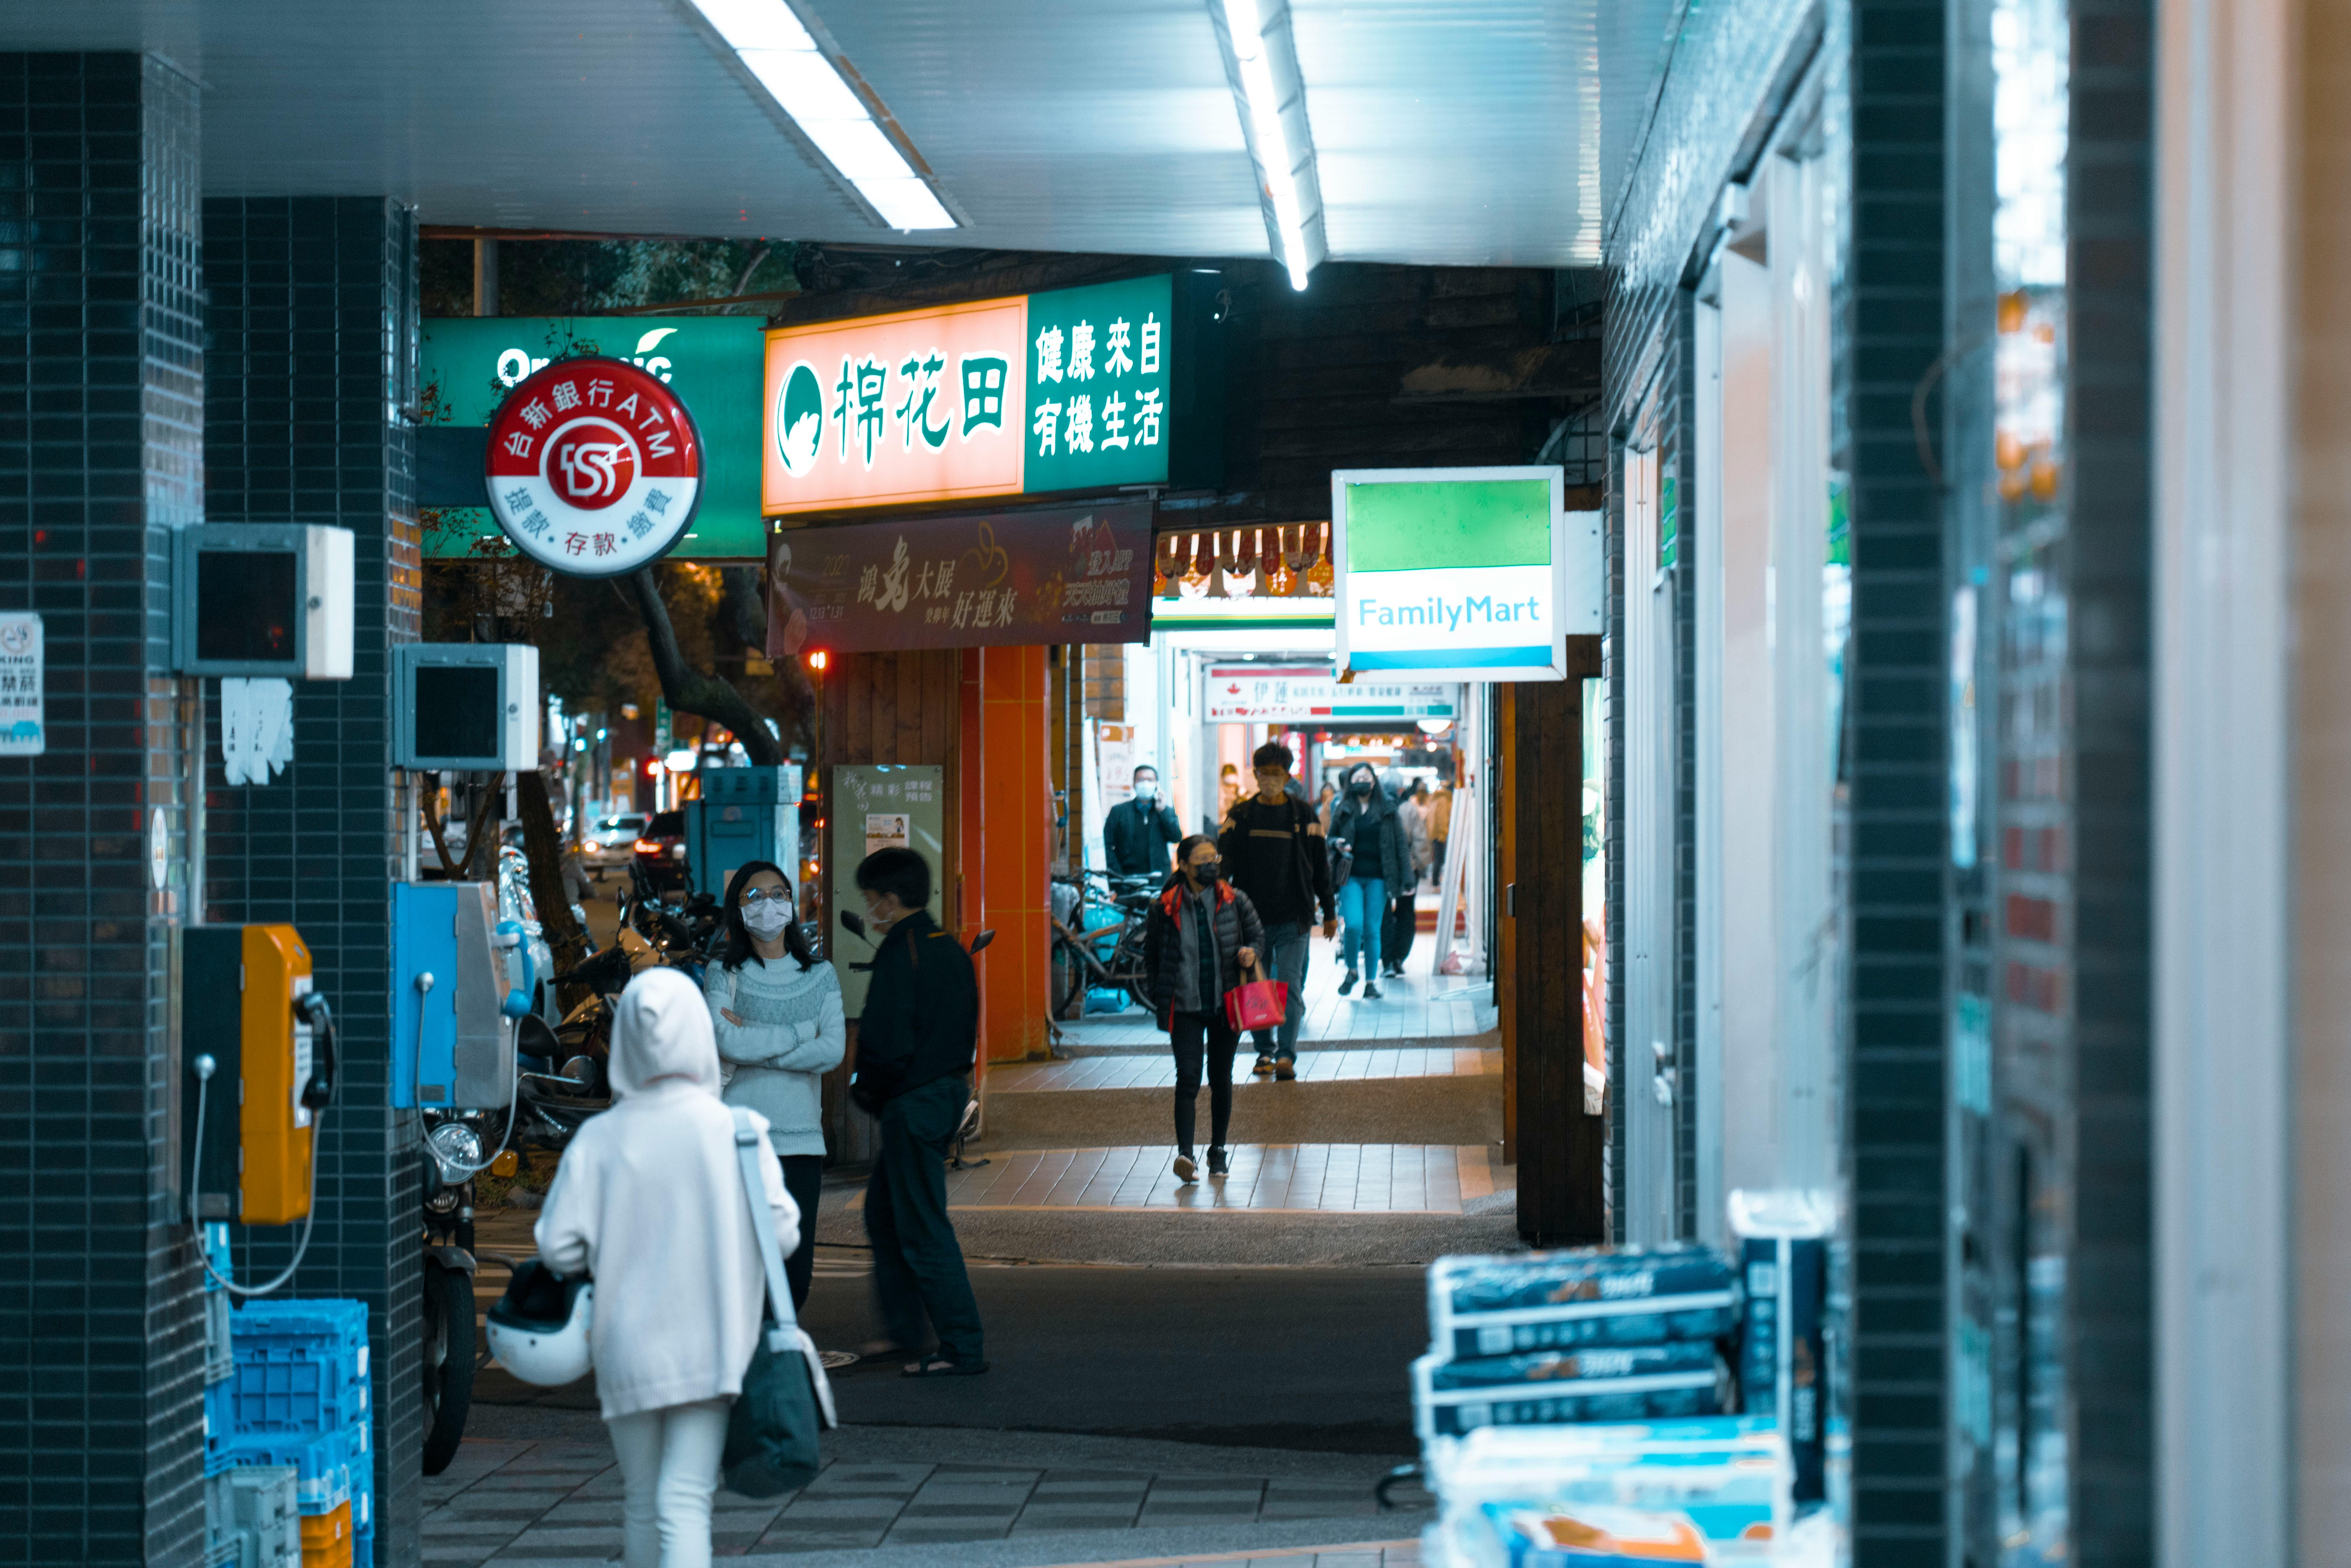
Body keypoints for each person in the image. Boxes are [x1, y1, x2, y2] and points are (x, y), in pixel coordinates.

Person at [536, 968, 799, 1568]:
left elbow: (557, 1248)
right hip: (713, 1346)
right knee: (685, 1498)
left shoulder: (599, 1140)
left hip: (626, 1347)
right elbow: (783, 1234)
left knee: (641, 1497)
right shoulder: (739, 1132)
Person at [846, 846, 988, 1377]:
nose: (870, 909)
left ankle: (961, 1346)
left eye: (871, 898)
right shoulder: (948, 947)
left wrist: (869, 1092)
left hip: (911, 1100)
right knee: (884, 1213)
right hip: (947, 1092)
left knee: (923, 1226)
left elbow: (884, 1039)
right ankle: (903, 1331)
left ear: (889, 899)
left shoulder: (899, 951)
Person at [706, 861, 843, 1312]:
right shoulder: (723, 972)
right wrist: (802, 1034)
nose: (769, 904)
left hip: (801, 1143)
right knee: (741, 1271)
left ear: (792, 904)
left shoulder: (820, 974)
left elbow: (833, 1050)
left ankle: (771, 1345)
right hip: (738, 1142)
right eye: (755, 896)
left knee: (794, 1278)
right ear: (738, 909)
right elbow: (724, 1041)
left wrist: (754, 1039)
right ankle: (748, 1351)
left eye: (779, 894)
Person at [1143, 835, 1265, 1182]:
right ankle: (1186, 1154)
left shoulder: (1234, 900)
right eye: (1202, 860)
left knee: (1221, 1078)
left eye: (1214, 858)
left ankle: (1218, 1151)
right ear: (1183, 866)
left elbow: (1258, 937)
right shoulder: (1164, 907)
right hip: (1184, 1006)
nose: (1211, 865)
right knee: (1188, 1077)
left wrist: (1251, 952)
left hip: (1225, 1003)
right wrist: (1159, 994)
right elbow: (1152, 957)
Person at [1218, 741, 1337, 1081]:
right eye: (1264, 773)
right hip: (1250, 921)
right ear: (1256, 775)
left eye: (1276, 773)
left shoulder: (1303, 815)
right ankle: (1264, 1052)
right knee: (1257, 986)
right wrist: (1219, 897)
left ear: (1287, 776)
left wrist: (1329, 911)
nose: (1269, 779)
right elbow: (1224, 862)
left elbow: (1320, 866)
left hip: (1294, 916)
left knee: (1289, 985)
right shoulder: (1241, 815)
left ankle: (1286, 1054)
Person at [1328, 762, 1410, 998]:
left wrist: (1407, 878)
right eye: (1357, 778)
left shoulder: (1388, 809)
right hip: (1350, 876)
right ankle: (1352, 971)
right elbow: (1330, 837)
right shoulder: (1343, 808)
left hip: (1379, 878)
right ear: (1350, 782)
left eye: (1366, 777)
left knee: (1373, 929)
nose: (1362, 782)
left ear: (1375, 781)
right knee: (1353, 925)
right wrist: (1337, 843)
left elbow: (1401, 845)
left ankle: (1371, 983)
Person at [1103, 764, 1183, 877]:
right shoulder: (1119, 812)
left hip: (1159, 878)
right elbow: (1106, 845)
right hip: (1127, 878)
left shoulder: (1165, 811)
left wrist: (1163, 812)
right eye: (1141, 780)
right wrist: (1118, 874)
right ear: (1134, 784)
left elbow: (1177, 837)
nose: (1146, 784)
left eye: (1150, 780)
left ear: (1157, 785)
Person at [1429, 777, 1454, 877]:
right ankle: (1436, 881)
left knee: (1437, 857)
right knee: (1439, 858)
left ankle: (1435, 879)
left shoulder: (1435, 798)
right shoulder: (1444, 799)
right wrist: (1444, 834)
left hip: (1435, 832)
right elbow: (1443, 819)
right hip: (1441, 834)